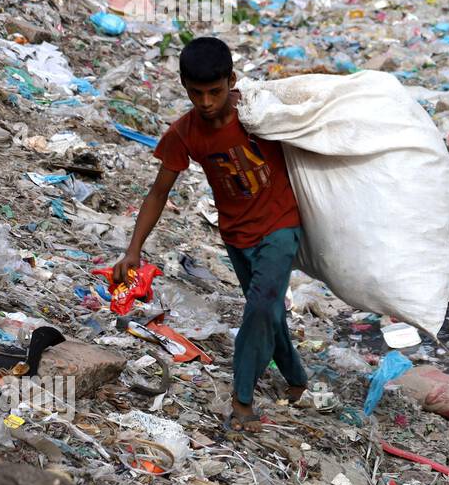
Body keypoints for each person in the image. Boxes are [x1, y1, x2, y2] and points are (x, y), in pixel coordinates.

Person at [113, 36, 307, 432]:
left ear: (231, 81)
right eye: (195, 93)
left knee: (260, 307)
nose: (205, 102)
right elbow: (158, 192)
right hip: (236, 237)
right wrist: (133, 250)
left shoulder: (257, 112)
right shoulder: (185, 134)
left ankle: (242, 400)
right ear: (184, 86)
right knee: (266, 309)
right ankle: (297, 379)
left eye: (214, 92)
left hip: (281, 225)